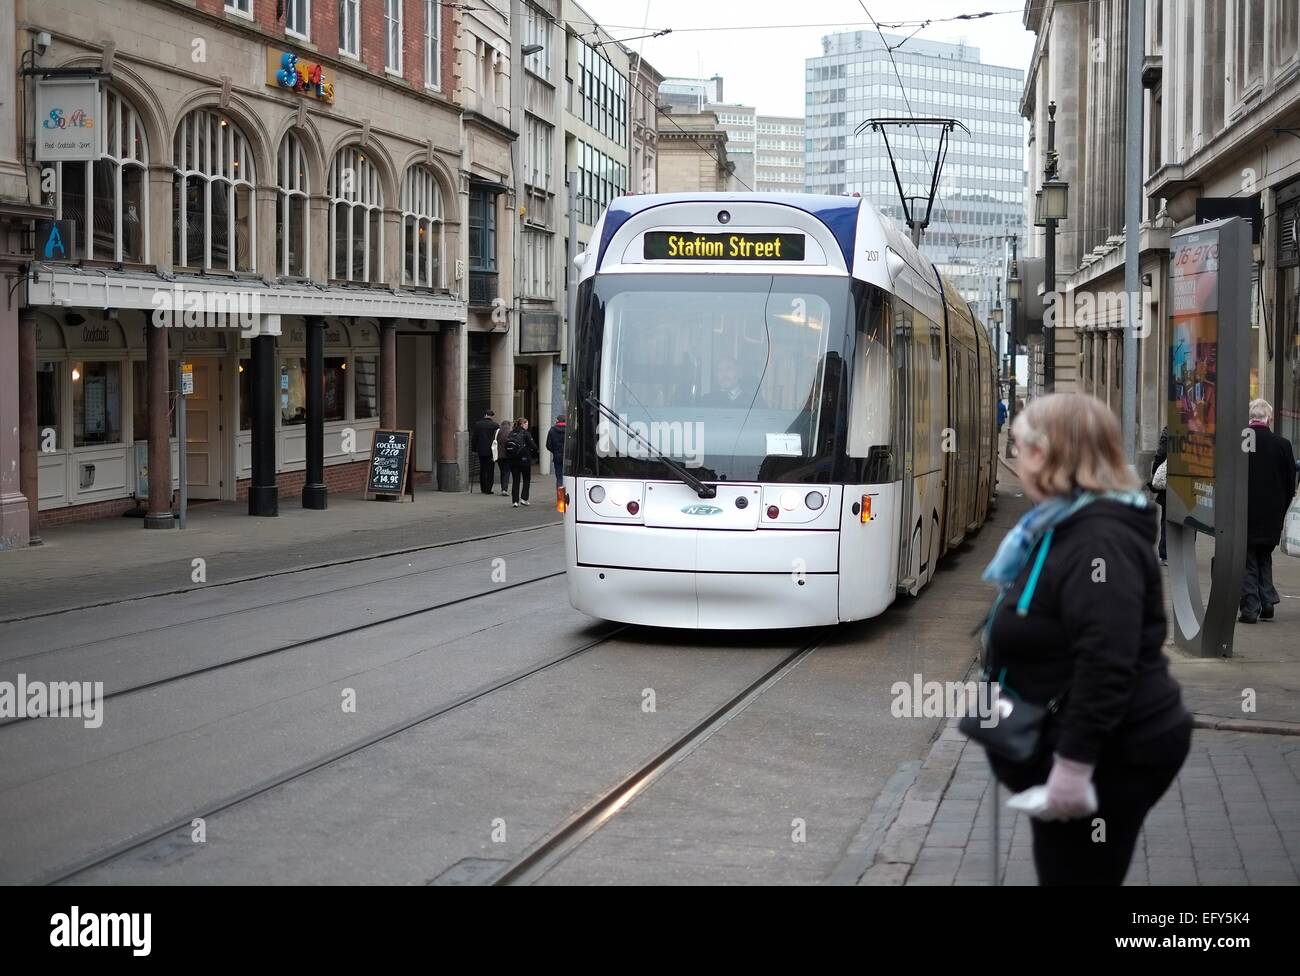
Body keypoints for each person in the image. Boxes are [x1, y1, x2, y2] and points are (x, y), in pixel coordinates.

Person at [979, 393, 1191, 886]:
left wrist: (1072, 769)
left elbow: (1107, 660)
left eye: (1021, 448)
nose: (1014, 459)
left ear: (1052, 454)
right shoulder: (1062, 522)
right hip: (1078, 747)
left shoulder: (1098, 540)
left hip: (1112, 754)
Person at [1239, 399, 1298, 623]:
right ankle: (1267, 601)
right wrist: (1281, 508)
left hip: (1246, 511)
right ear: (1269, 419)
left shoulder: (1243, 441)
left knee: (1248, 559)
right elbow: (1290, 482)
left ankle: (1250, 608)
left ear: (1250, 418)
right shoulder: (1282, 444)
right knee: (1264, 555)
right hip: (1272, 513)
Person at [505, 417, 539, 508]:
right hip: (524, 460)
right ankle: (524, 499)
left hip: (512, 461)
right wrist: (534, 450)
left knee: (515, 480)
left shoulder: (511, 433)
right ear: (522, 424)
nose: (527, 425)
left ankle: (515, 501)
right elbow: (534, 446)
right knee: (526, 480)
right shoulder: (526, 434)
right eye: (526, 424)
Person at [1149, 425, 1168, 563]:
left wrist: (1155, 473)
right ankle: (1186, 551)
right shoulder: (1198, 428)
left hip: (1172, 481)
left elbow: (1161, 454)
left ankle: (1165, 553)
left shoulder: (1170, 429)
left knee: (1168, 518)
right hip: (1192, 481)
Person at [471, 409, 499, 495]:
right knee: (490, 469)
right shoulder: (495, 425)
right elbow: (497, 438)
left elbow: (474, 438)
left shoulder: (478, 424)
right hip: (491, 450)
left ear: (485, 415)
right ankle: (488, 489)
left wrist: (474, 449)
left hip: (481, 450)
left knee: (482, 469)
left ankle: (483, 488)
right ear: (492, 416)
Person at [546, 415, 567, 498]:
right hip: (568, 457)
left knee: (559, 478)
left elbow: (548, 445)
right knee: (568, 476)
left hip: (557, 457)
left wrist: (555, 451)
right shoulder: (569, 429)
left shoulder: (552, 430)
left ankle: (560, 497)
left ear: (557, 420)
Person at [496, 421, 512, 497]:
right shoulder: (510, 432)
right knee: (507, 472)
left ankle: (503, 488)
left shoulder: (497, 432)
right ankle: (504, 489)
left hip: (499, 456)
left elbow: (492, 442)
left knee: (502, 471)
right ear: (509, 425)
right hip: (508, 455)